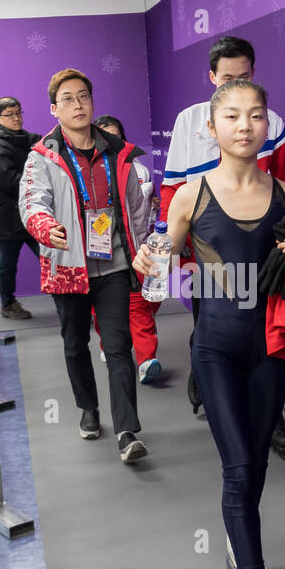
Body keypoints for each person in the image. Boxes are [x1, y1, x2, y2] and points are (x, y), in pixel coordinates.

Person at [134, 79, 285, 569]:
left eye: (255, 116)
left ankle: (240, 541)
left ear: (267, 126)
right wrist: (150, 257)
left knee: (255, 461)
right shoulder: (189, 194)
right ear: (211, 127)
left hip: (272, 348)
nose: (244, 125)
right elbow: (159, 255)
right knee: (237, 467)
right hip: (214, 346)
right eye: (231, 115)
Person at [161, 36, 285, 455]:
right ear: (211, 78)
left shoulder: (271, 123)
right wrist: (180, 252)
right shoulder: (190, 122)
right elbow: (172, 191)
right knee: (211, 322)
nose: (245, 125)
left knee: (267, 336)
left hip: (262, 256)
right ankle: (207, 383)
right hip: (209, 250)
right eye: (226, 78)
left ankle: (270, 419)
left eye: (243, 76)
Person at [19, 68, 152, 463]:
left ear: (93, 103)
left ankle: (128, 430)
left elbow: (137, 208)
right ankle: (88, 408)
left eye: (84, 97)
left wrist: (144, 252)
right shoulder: (42, 156)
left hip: (112, 265)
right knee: (75, 345)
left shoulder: (119, 152)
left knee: (118, 346)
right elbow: (32, 202)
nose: (77, 105)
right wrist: (44, 227)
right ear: (54, 109)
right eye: (68, 99)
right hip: (67, 266)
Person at [92, 114, 162, 383]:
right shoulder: (87, 170)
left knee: (140, 305)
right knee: (103, 306)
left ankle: (146, 360)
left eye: (115, 136)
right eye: (104, 136)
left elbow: (144, 209)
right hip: (101, 249)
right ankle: (107, 344)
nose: (110, 142)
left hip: (137, 248)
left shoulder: (138, 168)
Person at [0, 96, 41, 320]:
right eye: (10, 114)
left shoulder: (22, 138)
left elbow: (43, 140)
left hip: (30, 212)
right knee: (8, 264)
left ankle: (66, 295)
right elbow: (9, 180)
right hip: (9, 215)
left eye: (18, 112)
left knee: (48, 256)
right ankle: (7, 304)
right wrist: (41, 180)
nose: (16, 118)